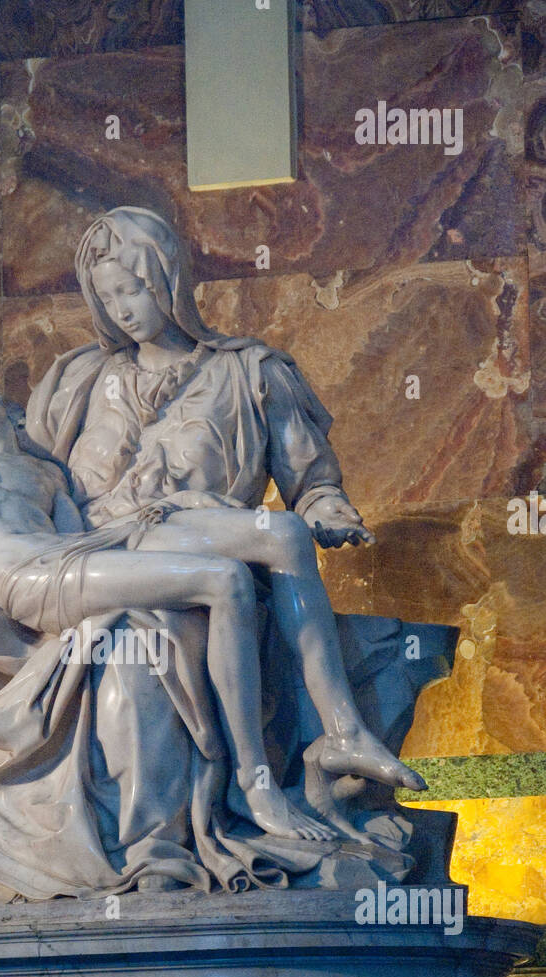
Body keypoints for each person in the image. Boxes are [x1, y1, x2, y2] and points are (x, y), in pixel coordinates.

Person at [26, 207, 426, 807]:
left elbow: (309, 481)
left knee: (285, 533)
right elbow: (23, 475)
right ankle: (338, 734)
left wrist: (327, 510)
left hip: (194, 548)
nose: (123, 310)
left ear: (168, 279)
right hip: (90, 556)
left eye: (132, 290)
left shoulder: (251, 373)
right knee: (278, 537)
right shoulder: (78, 380)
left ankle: (341, 735)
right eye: (107, 299)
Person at [0, 390, 332, 842]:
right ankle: (255, 785)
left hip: (67, 565)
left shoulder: (45, 474)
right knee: (224, 581)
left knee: (236, 569)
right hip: (24, 583)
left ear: (15, 416)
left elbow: (86, 539)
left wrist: (178, 505)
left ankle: (278, 765)